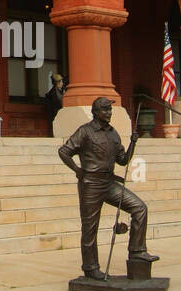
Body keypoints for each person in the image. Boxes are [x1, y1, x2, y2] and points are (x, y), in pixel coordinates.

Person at [58, 97, 157, 279]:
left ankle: (137, 251)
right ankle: (90, 268)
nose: (109, 113)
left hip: (109, 183)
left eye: (110, 110)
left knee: (140, 208)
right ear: (96, 112)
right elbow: (64, 151)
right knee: (90, 228)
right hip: (91, 185)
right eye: (105, 110)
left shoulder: (113, 134)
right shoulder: (85, 131)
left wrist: (133, 143)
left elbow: (123, 160)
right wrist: (77, 170)